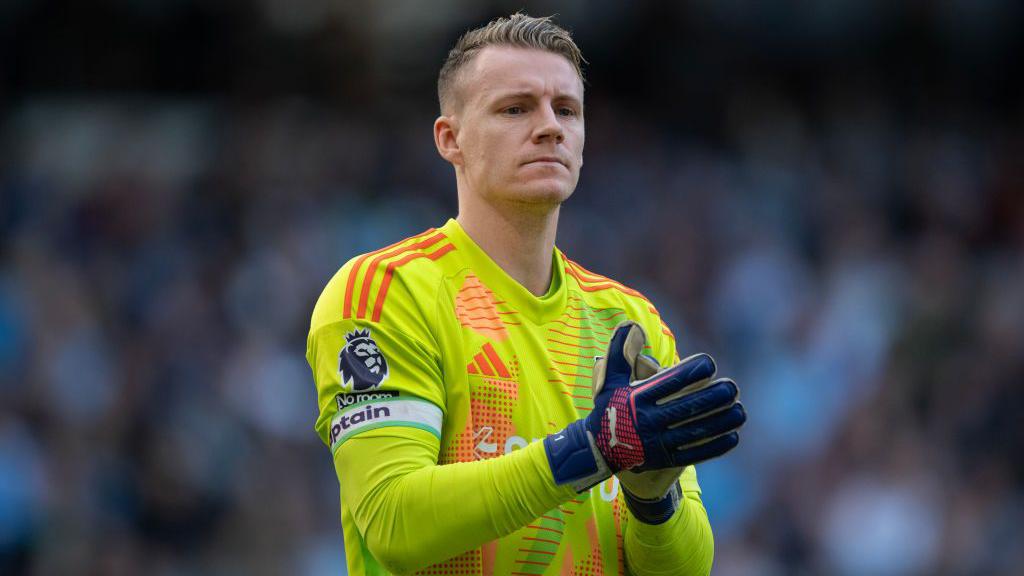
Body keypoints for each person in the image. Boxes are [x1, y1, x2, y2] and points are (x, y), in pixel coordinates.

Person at [306, 13, 746, 575]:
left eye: (566, 110)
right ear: (450, 139)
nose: (549, 128)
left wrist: (653, 499)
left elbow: (687, 570)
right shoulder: (390, 291)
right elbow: (395, 520)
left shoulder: (630, 321)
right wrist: (590, 450)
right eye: (515, 109)